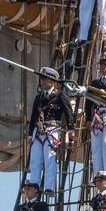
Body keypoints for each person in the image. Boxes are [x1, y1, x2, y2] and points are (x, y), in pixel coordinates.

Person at [27, 67, 75, 195]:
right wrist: (29, 133)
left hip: (52, 130)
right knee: (35, 158)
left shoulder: (60, 96)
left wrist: (71, 130)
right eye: (41, 79)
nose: (42, 81)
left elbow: (69, 112)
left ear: (53, 81)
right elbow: (33, 117)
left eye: (45, 79)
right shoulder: (39, 97)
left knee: (50, 158)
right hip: (38, 131)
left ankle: (49, 186)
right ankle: (34, 183)